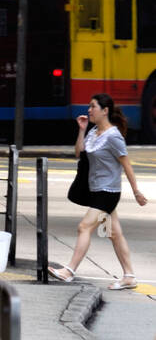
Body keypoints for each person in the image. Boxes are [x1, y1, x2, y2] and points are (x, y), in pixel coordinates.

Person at [49, 93, 148, 286]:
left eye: (93, 106)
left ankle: (69, 271)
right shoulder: (94, 133)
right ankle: (129, 276)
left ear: (105, 111)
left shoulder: (114, 136)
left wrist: (136, 191)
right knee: (113, 233)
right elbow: (79, 153)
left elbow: (126, 164)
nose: (88, 110)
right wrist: (82, 130)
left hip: (108, 193)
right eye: (89, 106)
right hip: (96, 190)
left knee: (84, 226)